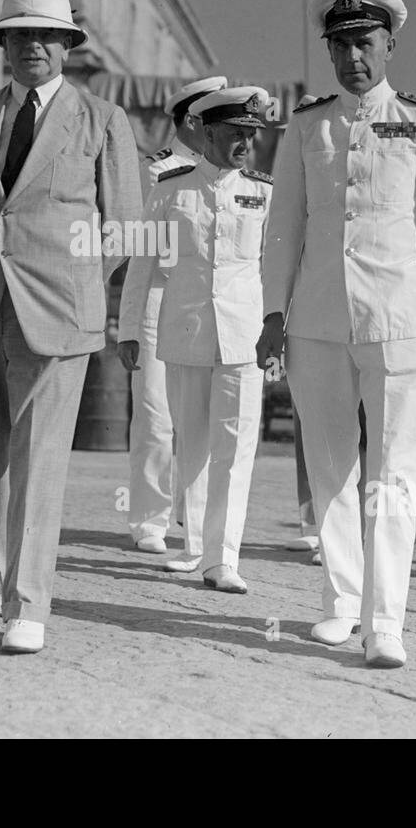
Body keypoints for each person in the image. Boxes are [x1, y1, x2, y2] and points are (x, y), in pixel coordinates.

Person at [257, 0, 416, 668]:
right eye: (341, 44)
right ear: (330, 48)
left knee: (396, 472)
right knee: (329, 466)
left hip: (400, 318)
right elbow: (282, 228)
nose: (354, 56)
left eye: (366, 43)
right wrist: (272, 312)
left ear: (389, 45)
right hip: (317, 320)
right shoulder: (306, 124)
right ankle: (340, 600)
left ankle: (386, 620)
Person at [0, 0, 142, 654]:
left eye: (45, 35)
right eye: (18, 34)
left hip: (58, 312)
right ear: (2, 44)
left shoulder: (103, 119)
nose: (32, 45)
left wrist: (78, 282)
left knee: (41, 456)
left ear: (66, 46)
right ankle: (11, 578)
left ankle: (28, 601)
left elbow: (125, 228)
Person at [118, 87, 273, 593]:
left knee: (237, 444)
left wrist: (280, 330)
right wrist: (128, 329)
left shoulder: (265, 192)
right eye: (234, 133)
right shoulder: (170, 189)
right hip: (185, 330)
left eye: (251, 134)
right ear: (207, 132)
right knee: (193, 441)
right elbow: (141, 264)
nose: (245, 142)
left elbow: (276, 267)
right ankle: (197, 549)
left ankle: (224, 557)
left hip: (245, 334)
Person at [124, 78, 221, 557]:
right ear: (190, 121)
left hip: (204, 300)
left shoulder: (222, 171)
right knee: (156, 415)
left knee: (198, 414)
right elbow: (137, 247)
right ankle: (148, 518)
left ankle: (195, 517)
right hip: (159, 297)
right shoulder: (155, 172)